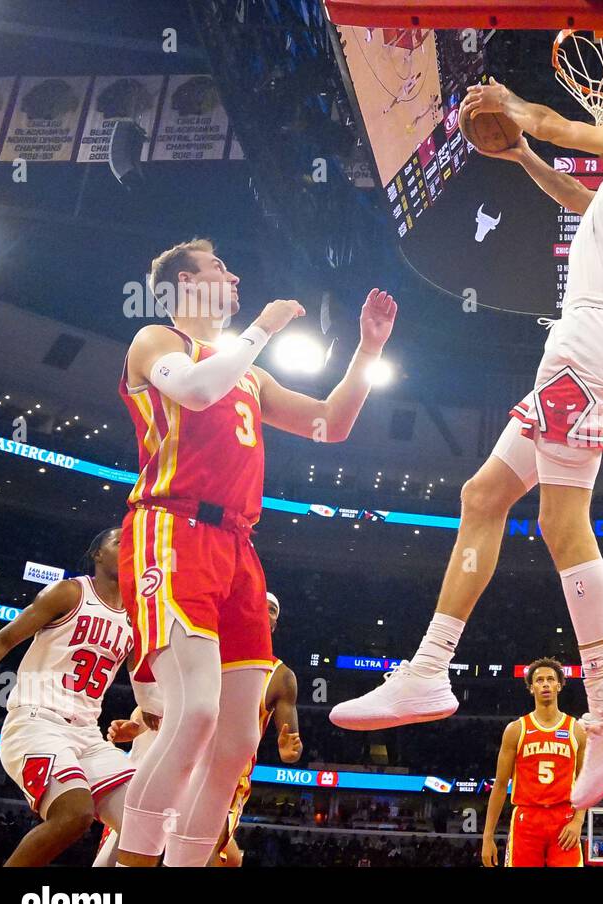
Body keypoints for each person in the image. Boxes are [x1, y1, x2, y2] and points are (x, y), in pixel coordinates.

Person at [332, 82, 603, 808]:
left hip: (584, 345)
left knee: (562, 524)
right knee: (484, 495)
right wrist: (523, 151)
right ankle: (430, 668)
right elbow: (577, 200)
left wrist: (511, 102)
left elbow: (561, 121)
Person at [117, 237, 395, 866]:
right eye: (220, 266)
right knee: (194, 715)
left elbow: (331, 423)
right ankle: (130, 861)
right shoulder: (157, 343)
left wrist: (368, 349)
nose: (235, 274)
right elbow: (192, 391)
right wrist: (264, 327)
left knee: (239, 736)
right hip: (173, 528)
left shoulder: (250, 370)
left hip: (238, 546)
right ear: (187, 284)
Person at [0, 528, 136, 866]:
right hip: (36, 722)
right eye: (119, 542)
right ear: (98, 555)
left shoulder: (136, 619)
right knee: (75, 814)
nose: (128, 548)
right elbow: (3, 642)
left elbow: (148, 688)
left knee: (146, 820)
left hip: (88, 734)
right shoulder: (70, 592)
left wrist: (140, 725)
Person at [216, 592, 301, 866]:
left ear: (275, 623)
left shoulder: (281, 677)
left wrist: (290, 750)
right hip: (186, 761)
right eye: (258, 604)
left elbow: (290, 741)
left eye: (272, 609)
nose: (265, 611)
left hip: (229, 778)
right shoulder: (209, 650)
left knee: (207, 849)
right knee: (229, 859)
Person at [481, 658, 587, 867]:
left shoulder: (577, 729)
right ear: (531, 688)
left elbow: (585, 783)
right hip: (527, 818)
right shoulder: (516, 730)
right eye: (539, 680)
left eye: (550, 679)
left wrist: (578, 821)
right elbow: (501, 785)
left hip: (564, 818)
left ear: (559, 685)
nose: (545, 684)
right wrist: (487, 837)